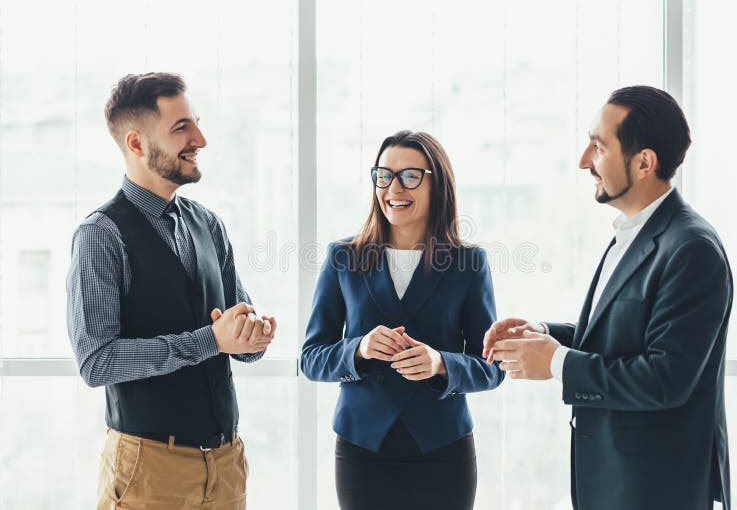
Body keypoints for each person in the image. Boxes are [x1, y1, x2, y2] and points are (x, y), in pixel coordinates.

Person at [483, 86, 733, 510]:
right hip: (614, 480)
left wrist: (557, 363)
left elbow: (665, 378)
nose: (584, 161)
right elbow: (617, 335)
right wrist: (543, 333)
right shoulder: (632, 233)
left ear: (644, 163)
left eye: (598, 147)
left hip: (654, 489)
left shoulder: (692, 248)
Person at [66, 72, 276, 509]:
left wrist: (252, 336)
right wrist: (209, 341)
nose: (199, 138)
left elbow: (237, 337)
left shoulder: (208, 223)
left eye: (195, 123)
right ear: (137, 144)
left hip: (225, 465)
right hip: (148, 470)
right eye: (181, 127)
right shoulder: (101, 234)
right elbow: (96, 361)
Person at [301, 130, 504, 510]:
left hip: (443, 448)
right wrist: (357, 349)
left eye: (410, 175)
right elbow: (311, 359)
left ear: (437, 183)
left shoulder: (468, 263)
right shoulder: (344, 257)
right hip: (363, 448)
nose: (394, 187)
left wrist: (440, 362)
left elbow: (492, 368)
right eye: (384, 174)